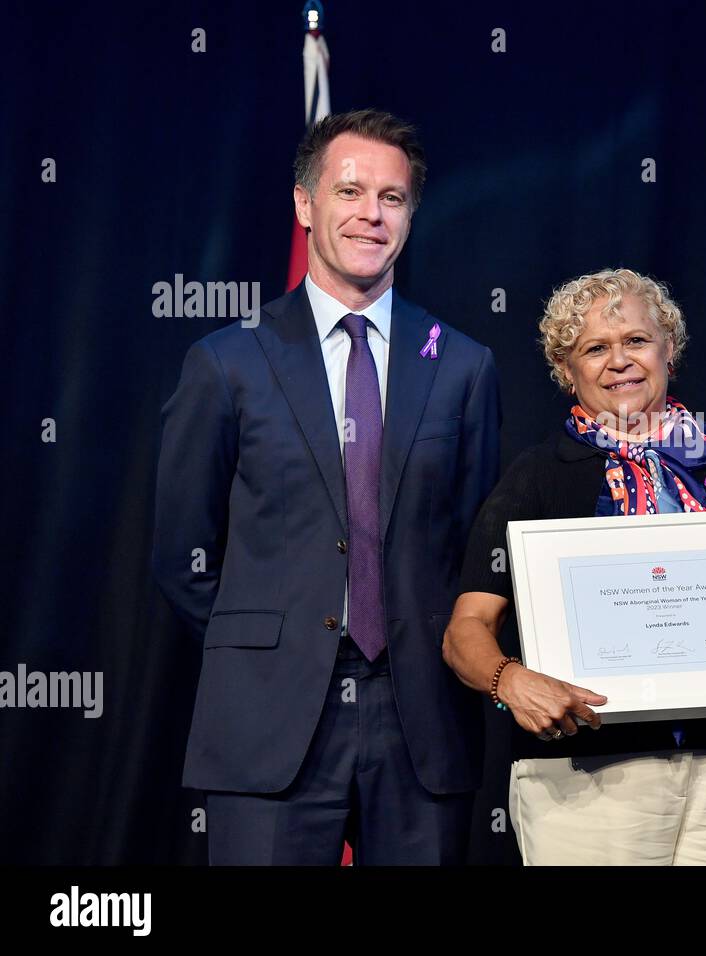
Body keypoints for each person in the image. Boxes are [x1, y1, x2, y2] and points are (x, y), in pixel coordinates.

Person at [152, 109, 500, 864]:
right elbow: (183, 552)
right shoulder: (226, 362)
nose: (370, 214)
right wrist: (268, 649)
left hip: (423, 722)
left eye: (392, 198)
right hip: (267, 722)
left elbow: (476, 551)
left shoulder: (465, 366)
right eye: (349, 192)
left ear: (411, 215)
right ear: (306, 206)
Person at [443, 268, 706, 865]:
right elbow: (465, 631)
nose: (620, 361)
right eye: (595, 348)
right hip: (586, 784)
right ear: (567, 370)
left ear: (669, 348)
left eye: (636, 340)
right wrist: (510, 681)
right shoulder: (536, 477)